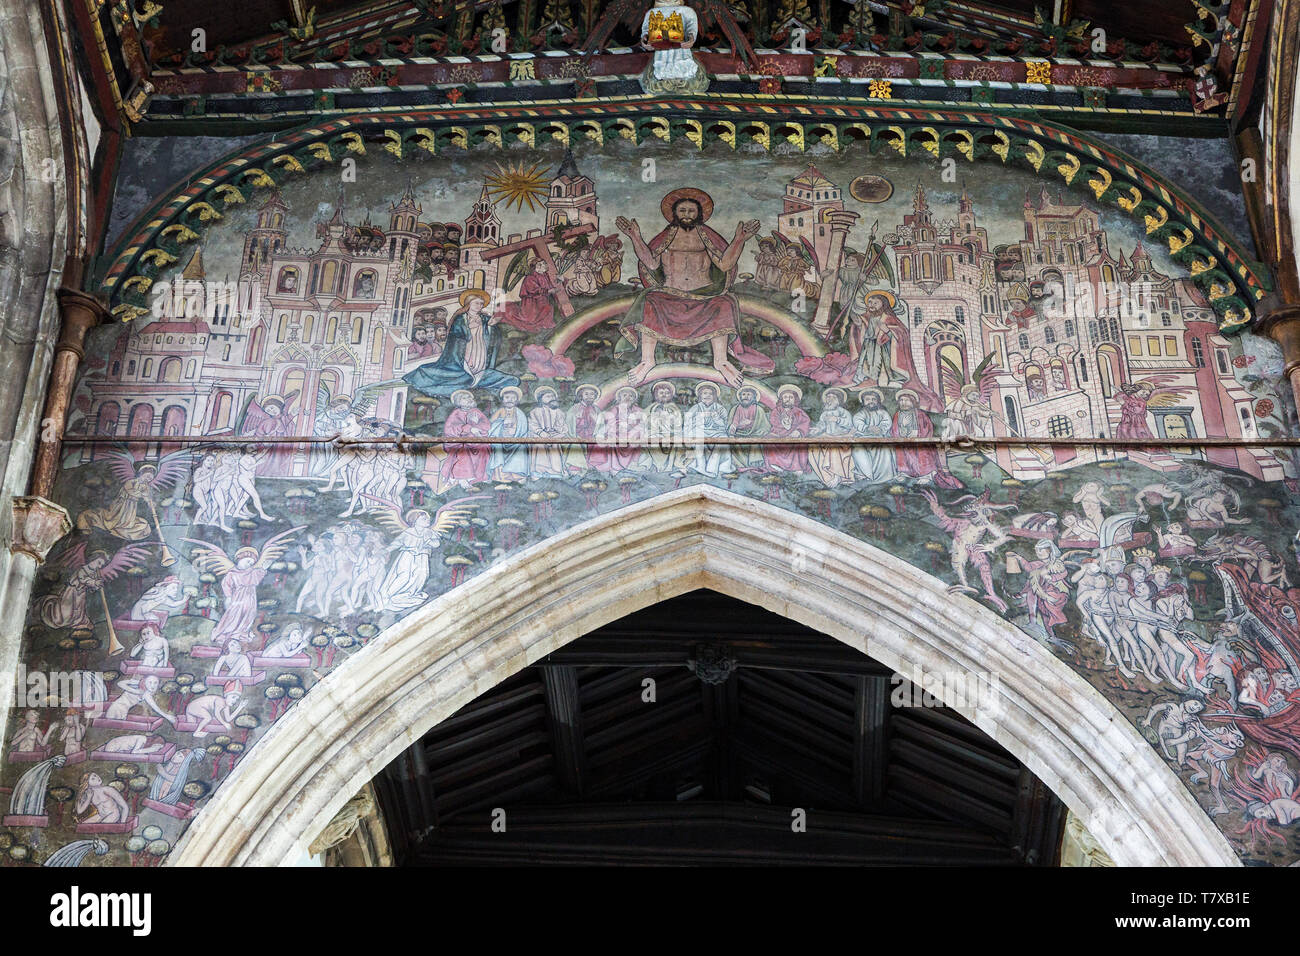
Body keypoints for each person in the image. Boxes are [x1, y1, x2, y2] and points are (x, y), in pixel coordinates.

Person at [615, 189, 772, 388]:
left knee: (724, 303)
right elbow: (651, 264)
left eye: (691, 211)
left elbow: (724, 265)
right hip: (670, 293)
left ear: (699, 214)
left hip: (705, 293)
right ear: (674, 213)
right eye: (682, 210)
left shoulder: (706, 236)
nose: (687, 214)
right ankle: (647, 360)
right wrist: (635, 237)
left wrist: (740, 239)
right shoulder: (666, 237)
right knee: (651, 300)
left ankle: (721, 361)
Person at [403, 290, 520, 397]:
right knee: (444, 373)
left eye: (481, 303)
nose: (479, 306)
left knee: (502, 377)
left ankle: (475, 376)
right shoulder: (460, 319)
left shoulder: (484, 318)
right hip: (464, 352)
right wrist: (470, 328)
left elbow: (492, 334)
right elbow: (455, 338)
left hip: (480, 351)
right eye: (476, 303)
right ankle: (467, 375)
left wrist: (490, 327)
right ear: (469, 304)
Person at [891, 389, 961, 488]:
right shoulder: (897, 415)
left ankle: (926, 474)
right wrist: (902, 435)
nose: (904, 403)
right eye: (901, 400)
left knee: (923, 451)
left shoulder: (920, 414)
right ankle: (905, 473)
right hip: (904, 441)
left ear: (913, 402)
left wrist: (917, 434)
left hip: (920, 441)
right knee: (901, 451)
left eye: (907, 400)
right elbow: (894, 429)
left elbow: (928, 428)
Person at [439, 390, 491, 489]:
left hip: (475, 440)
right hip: (458, 441)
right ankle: (463, 478)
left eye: (469, 398)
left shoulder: (476, 412)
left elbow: (487, 425)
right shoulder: (456, 413)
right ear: (458, 401)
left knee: (485, 447)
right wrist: (469, 428)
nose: (468, 400)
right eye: (464, 398)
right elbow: (449, 429)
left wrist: (477, 425)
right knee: (463, 450)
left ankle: (478, 477)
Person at [808, 388, 856, 487]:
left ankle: (837, 475)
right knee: (813, 449)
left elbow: (849, 424)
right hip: (828, 437)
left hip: (842, 438)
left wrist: (837, 419)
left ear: (839, 401)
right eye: (828, 397)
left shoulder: (844, 412)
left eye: (833, 397)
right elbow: (822, 425)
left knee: (834, 448)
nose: (830, 399)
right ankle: (827, 477)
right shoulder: (824, 413)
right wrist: (817, 429)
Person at [683, 383, 732, 477]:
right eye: (705, 393)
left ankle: (713, 469)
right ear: (700, 395)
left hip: (717, 433)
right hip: (700, 432)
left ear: (715, 396)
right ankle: (700, 467)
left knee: (723, 439)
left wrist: (716, 418)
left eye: (711, 394)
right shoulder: (695, 408)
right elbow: (687, 423)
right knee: (699, 439)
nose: (708, 396)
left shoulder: (720, 409)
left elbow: (725, 425)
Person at [764, 384, 810, 474]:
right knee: (768, 439)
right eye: (785, 397)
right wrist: (783, 425)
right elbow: (773, 421)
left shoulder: (799, 412)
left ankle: (797, 467)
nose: (788, 399)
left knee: (800, 443)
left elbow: (805, 422)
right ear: (782, 399)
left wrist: (798, 431)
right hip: (778, 433)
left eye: (790, 397)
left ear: (795, 399)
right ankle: (775, 464)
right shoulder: (777, 410)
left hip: (794, 434)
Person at [851, 389, 894, 484]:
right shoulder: (860, 414)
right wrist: (868, 428)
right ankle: (866, 475)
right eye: (868, 399)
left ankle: (884, 477)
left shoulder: (883, 413)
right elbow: (857, 422)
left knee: (885, 449)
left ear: (878, 401)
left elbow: (887, 423)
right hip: (863, 438)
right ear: (863, 402)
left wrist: (880, 429)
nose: (871, 401)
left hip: (880, 438)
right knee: (858, 450)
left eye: (874, 399)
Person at [504, 259, 559, 332]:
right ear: (537, 266)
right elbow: (533, 289)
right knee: (530, 319)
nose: (546, 265)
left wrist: (558, 281)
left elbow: (549, 286)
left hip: (542, 300)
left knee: (548, 309)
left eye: (545, 263)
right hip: (532, 302)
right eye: (543, 264)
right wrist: (548, 291)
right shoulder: (530, 277)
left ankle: (545, 327)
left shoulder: (544, 276)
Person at [488, 386, 530, 482]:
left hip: (516, 439)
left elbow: (523, 427)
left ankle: (516, 475)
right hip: (500, 439)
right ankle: (500, 476)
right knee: (497, 447)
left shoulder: (519, 413)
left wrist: (516, 435)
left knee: (522, 447)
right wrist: (501, 425)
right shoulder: (500, 411)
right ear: (503, 400)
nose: (510, 400)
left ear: (517, 400)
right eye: (507, 397)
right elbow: (491, 425)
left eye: (513, 398)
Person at [527, 386, 568, 479]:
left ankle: (556, 471)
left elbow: (562, 426)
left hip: (554, 436)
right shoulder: (535, 412)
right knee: (540, 447)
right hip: (539, 436)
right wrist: (541, 433)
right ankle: (539, 471)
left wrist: (557, 432)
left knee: (555, 449)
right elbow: (532, 424)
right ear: (541, 399)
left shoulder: (559, 412)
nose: (551, 398)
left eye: (553, 396)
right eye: (548, 396)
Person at [727, 385, 768, 471]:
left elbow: (765, 426)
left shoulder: (758, 409)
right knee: (732, 443)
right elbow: (732, 423)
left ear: (754, 397)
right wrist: (734, 427)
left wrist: (755, 427)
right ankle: (743, 465)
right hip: (738, 434)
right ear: (740, 397)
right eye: (744, 394)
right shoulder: (735, 409)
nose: (746, 396)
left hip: (754, 433)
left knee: (755, 441)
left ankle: (755, 464)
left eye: (749, 394)